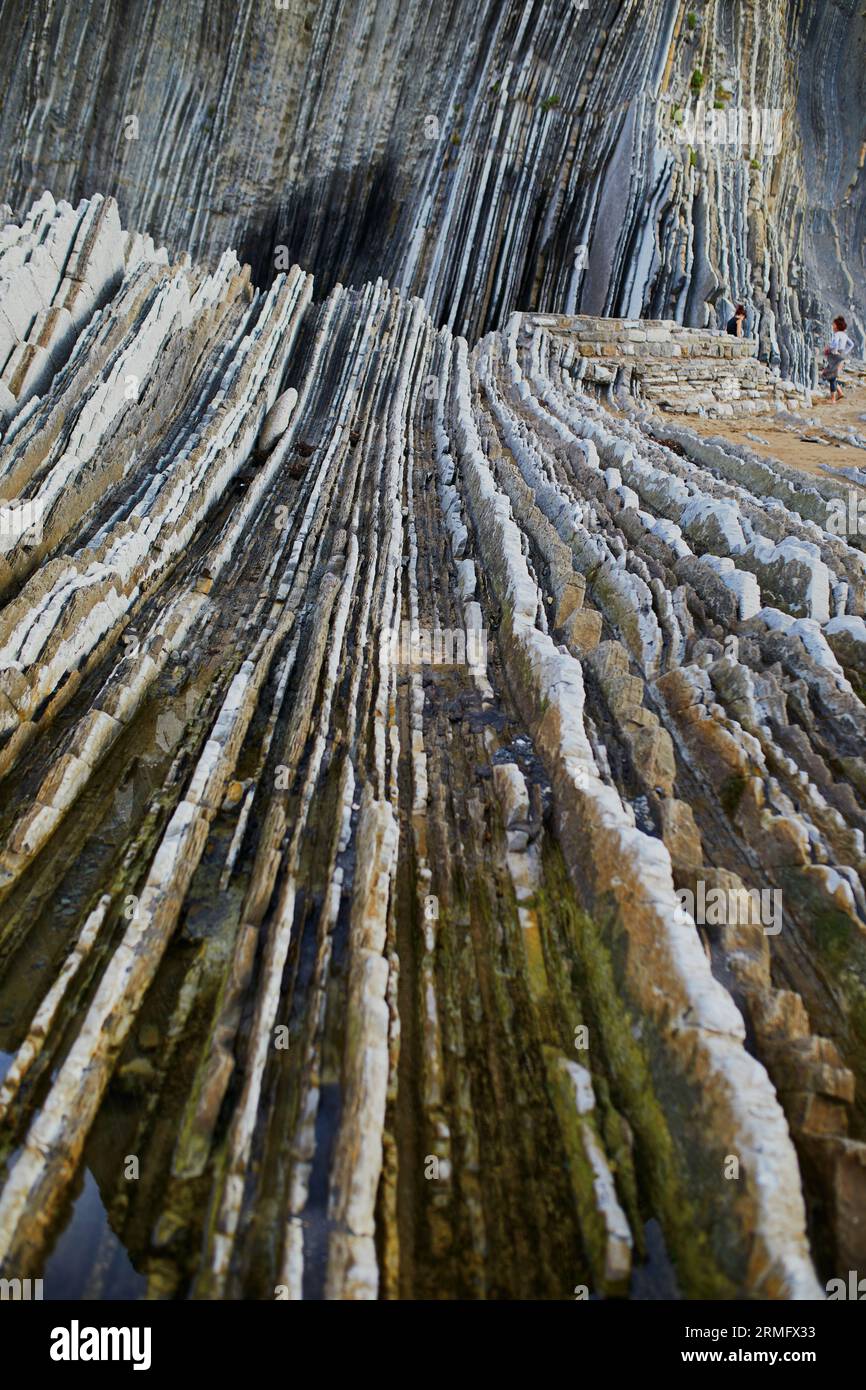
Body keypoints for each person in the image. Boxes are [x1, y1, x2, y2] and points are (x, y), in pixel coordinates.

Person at [821, 315, 855, 403]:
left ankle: (833, 399)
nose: (832, 325)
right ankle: (840, 393)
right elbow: (851, 344)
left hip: (835, 356)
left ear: (836, 325)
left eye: (833, 324)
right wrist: (844, 352)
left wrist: (831, 350)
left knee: (830, 376)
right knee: (832, 375)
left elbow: (835, 344)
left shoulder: (836, 334)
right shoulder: (844, 335)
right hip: (841, 356)